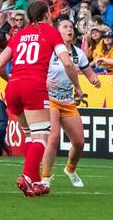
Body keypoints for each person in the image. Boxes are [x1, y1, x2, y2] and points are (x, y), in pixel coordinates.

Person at [0, 0, 83, 198]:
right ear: (47, 14)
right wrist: (77, 86)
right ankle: (27, 176)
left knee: (30, 136)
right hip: (33, 87)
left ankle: (34, 182)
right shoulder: (51, 32)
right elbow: (68, 64)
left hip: (13, 86)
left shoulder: (19, 35)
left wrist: (12, 79)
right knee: (41, 137)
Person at [41, 18, 101, 188]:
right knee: (53, 137)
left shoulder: (78, 53)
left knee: (79, 142)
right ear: (57, 31)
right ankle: (45, 177)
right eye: (65, 27)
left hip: (68, 101)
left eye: (71, 27)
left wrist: (94, 80)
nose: (69, 29)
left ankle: (70, 169)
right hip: (50, 98)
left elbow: (89, 73)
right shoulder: (49, 51)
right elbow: (37, 71)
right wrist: (44, 82)